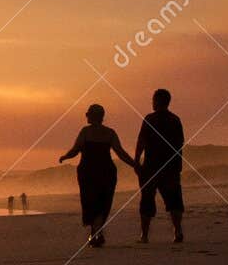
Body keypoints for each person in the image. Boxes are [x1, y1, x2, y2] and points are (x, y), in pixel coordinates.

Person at [58, 104, 137, 247]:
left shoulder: (86, 132)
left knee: (90, 202)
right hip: (107, 171)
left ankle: (95, 233)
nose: (86, 116)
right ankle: (97, 233)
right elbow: (120, 152)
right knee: (103, 202)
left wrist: (65, 156)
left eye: (88, 113)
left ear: (93, 116)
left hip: (88, 172)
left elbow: (76, 150)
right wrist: (135, 165)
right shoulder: (110, 133)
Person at [134, 87, 185, 244]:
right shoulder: (175, 120)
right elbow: (180, 144)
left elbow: (141, 141)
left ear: (157, 101)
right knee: (174, 199)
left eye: (153, 100)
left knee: (147, 199)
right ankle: (177, 231)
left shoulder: (150, 119)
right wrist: (178, 164)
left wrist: (136, 160)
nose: (152, 102)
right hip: (170, 166)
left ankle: (144, 235)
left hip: (151, 166)